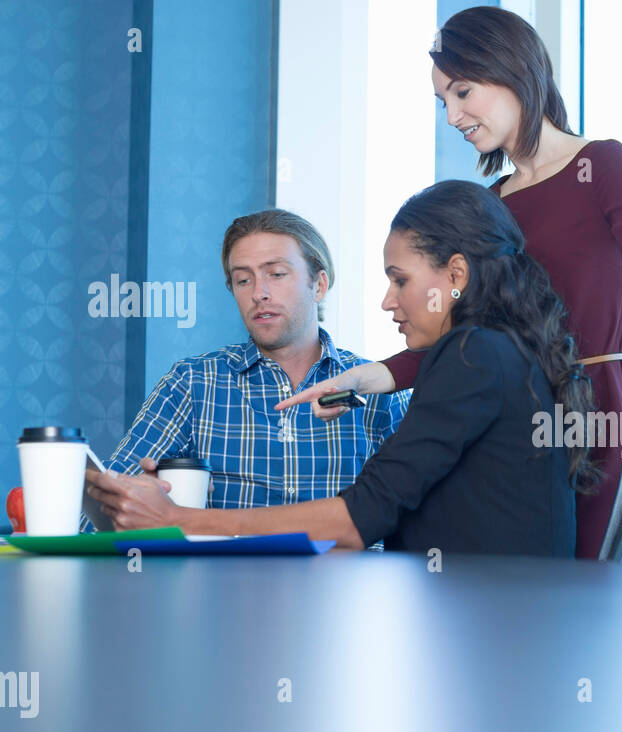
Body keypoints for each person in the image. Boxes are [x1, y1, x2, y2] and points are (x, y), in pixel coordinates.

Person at [282, 6, 622, 560]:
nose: (453, 115)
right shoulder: (491, 203)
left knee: (588, 590)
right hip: (514, 421)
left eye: (462, 92)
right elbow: (472, 329)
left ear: (511, 71)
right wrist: (373, 377)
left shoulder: (602, 164)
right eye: (443, 102)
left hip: (594, 413)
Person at [87, 181, 591, 557]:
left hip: (484, 632)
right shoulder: (500, 352)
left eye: (400, 279)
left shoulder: (470, 356)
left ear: (455, 275)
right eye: (242, 280)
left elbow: (360, 517)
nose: (388, 301)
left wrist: (180, 518)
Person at [82, 209, 407, 533]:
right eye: (242, 279)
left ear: (319, 285)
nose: (258, 293)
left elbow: (420, 522)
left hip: (349, 582)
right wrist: (140, 502)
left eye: (277, 274)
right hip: (227, 582)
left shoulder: (379, 393)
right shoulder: (193, 384)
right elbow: (96, 519)